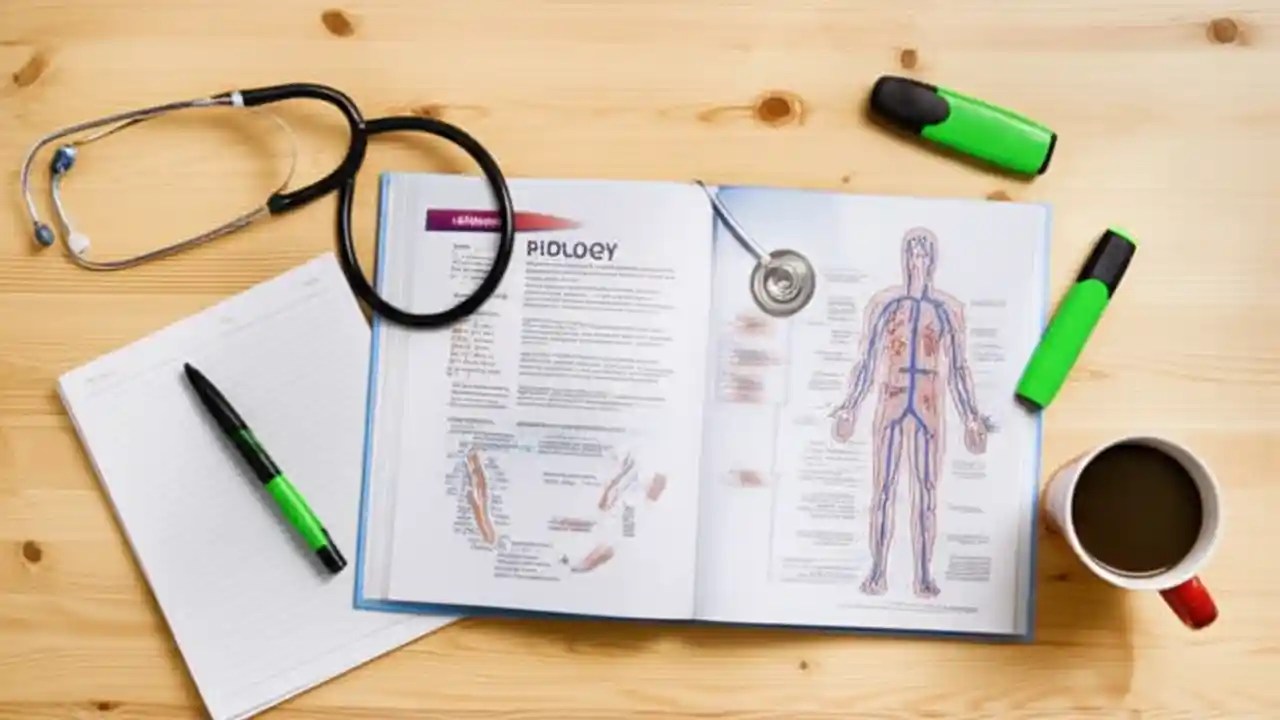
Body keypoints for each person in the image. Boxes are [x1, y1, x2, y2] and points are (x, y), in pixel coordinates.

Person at [829, 227, 992, 598]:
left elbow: (960, 367)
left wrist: (971, 415)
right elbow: (868, 360)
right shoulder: (887, 305)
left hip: (928, 401)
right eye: (912, 253)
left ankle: (923, 573)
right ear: (904, 259)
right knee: (883, 487)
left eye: (924, 253)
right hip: (893, 396)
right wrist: (851, 406)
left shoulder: (946, 310)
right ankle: (878, 570)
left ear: (933, 260)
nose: (918, 260)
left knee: (926, 488)